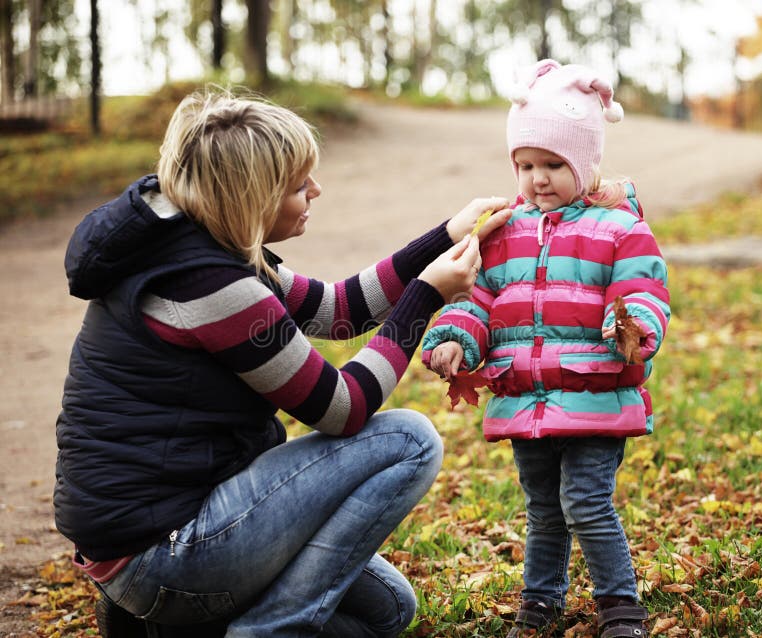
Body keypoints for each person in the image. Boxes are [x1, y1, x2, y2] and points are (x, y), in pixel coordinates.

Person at [54, 88, 512, 638]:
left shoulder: (196, 244)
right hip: (165, 550)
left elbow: (338, 310)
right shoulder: (209, 284)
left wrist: (444, 237)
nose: (316, 190)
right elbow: (343, 410)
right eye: (299, 185)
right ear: (254, 196)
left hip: (156, 535)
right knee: (411, 439)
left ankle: (160, 625)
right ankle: (265, 629)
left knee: (386, 610)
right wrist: (425, 297)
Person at [422, 59, 670, 638]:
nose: (537, 178)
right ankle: (539, 604)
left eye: (554, 164)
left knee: (585, 502)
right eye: (526, 164)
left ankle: (620, 608)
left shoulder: (617, 228)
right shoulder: (504, 232)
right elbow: (479, 298)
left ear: (584, 162)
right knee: (543, 510)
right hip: (525, 396)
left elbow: (642, 286)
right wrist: (456, 333)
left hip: (593, 393)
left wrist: (632, 324)